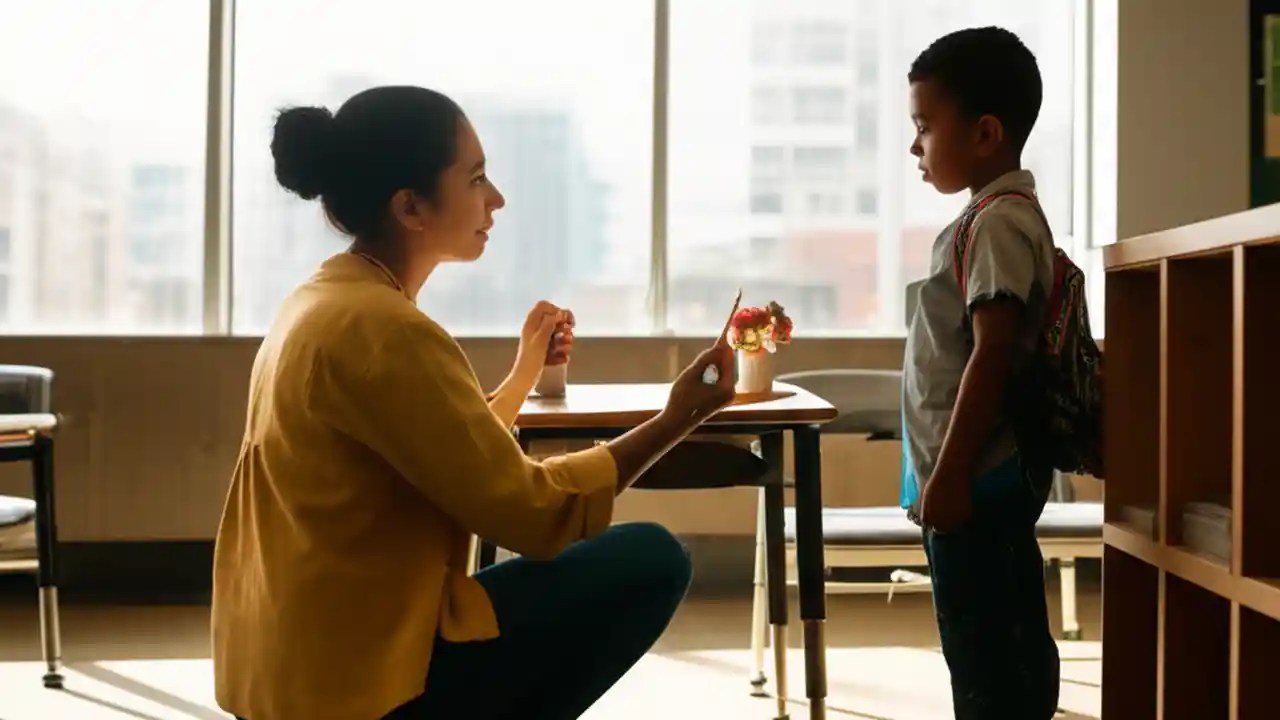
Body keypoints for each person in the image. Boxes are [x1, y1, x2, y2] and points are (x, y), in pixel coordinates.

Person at [211, 85, 740, 720]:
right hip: (359, 688)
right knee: (650, 557)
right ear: (411, 205)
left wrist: (522, 372)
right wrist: (678, 417)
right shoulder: (387, 330)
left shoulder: (319, 303)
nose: (497, 199)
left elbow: (448, 457)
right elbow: (532, 512)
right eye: (477, 178)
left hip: (290, 673)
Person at [899, 27, 1062, 719]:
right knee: (989, 637)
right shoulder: (986, 219)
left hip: (981, 477)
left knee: (986, 649)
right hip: (973, 476)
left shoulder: (997, 224)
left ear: (986, 132)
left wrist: (951, 474)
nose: (915, 146)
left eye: (925, 126)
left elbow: (991, 353)